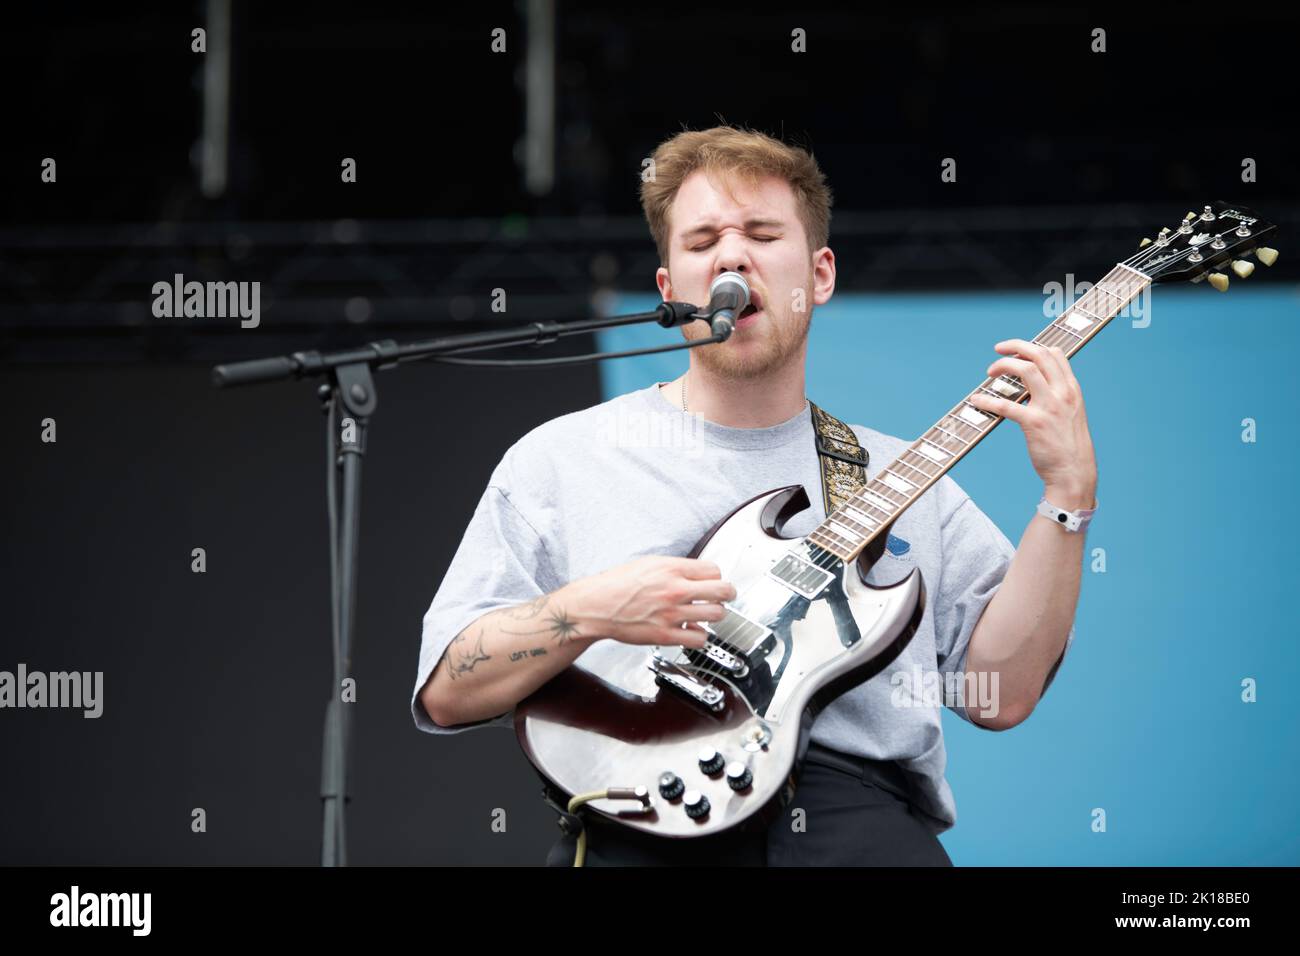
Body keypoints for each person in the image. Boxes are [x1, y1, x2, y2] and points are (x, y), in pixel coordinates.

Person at [411, 125, 1097, 866]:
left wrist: (1067, 497)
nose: (732, 255)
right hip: (646, 825)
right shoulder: (561, 458)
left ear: (820, 275)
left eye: (763, 233)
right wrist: (585, 612)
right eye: (703, 240)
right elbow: (450, 689)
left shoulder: (907, 475)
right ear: (670, 292)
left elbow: (1003, 693)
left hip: (860, 828)